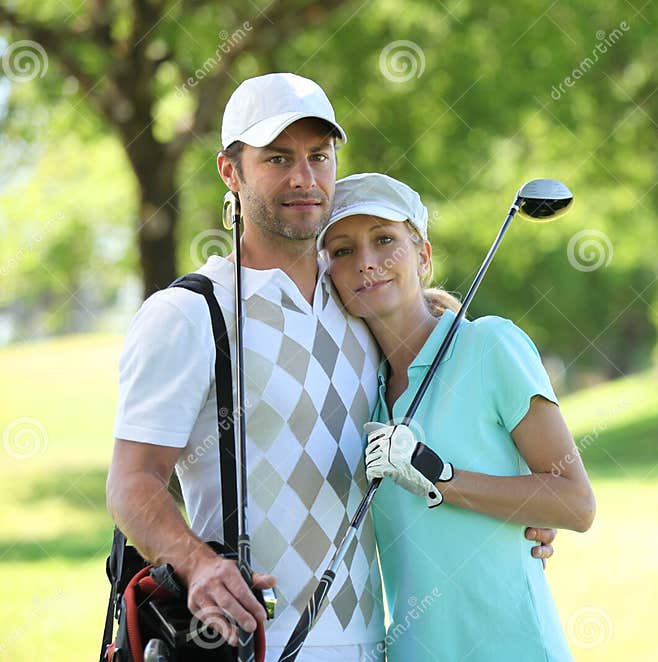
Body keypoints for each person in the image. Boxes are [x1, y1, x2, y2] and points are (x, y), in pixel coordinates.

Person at [105, 73, 556, 662]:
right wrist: (197, 564)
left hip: (375, 644)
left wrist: (521, 507)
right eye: (277, 158)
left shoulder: (355, 297)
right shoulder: (189, 314)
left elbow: (447, 409)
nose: (304, 177)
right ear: (230, 172)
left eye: (319, 156)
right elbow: (132, 482)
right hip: (252, 645)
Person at [317, 172, 596, 661]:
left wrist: (440, 476)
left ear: (423, 256)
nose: (366, 262)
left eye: (385, 240)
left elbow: (575, 503)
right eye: (343, 250)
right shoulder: (361, 394)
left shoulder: (488, 345)